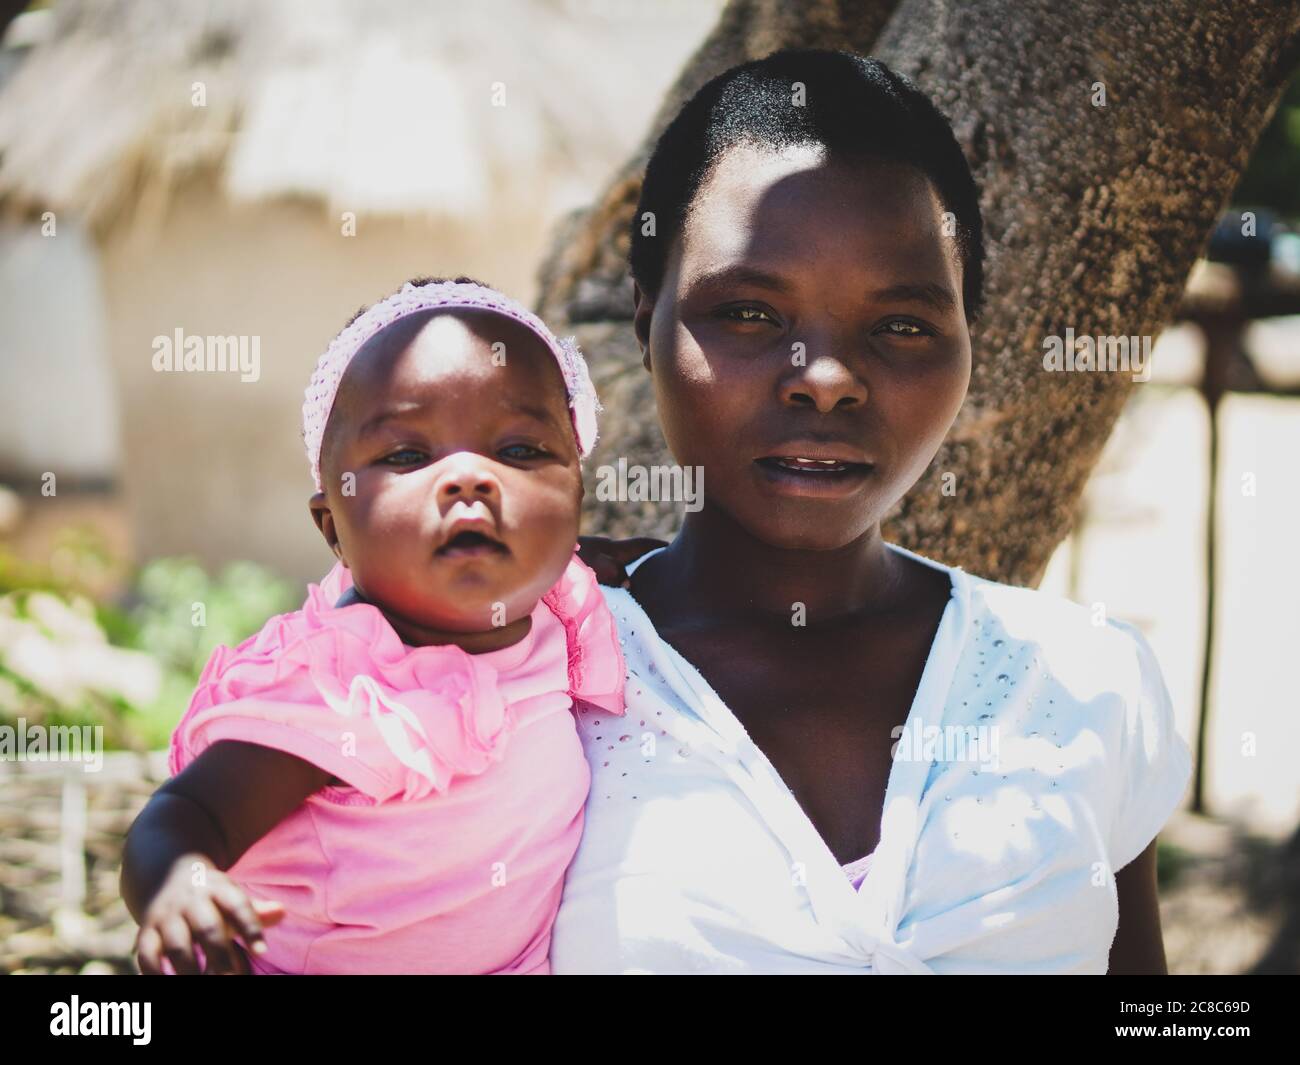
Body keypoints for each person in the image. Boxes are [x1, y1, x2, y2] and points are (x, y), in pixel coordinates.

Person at [558, 49, 1193, 974]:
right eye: (747, 313)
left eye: (900, 326)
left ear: (969, 342)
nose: (827, 379)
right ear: (648, 316)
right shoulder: (524, 678)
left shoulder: (1085, 679)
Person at [120, 277, 626, 974]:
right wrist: (182, 882)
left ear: (575, 491)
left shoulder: (565, 605)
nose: (470, 479)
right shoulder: (343, 688)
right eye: (407, 456)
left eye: (520, 450)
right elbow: (187, 811)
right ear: (334, 527)